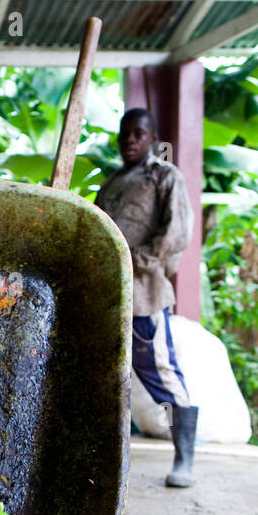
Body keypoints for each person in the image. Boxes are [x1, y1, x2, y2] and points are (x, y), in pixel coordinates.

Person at [95, 108, 198, 488]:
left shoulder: (164, 177)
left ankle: (184, 458)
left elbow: (176, 233)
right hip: (109, 295)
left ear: (153, 138)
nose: (131, 140)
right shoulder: (113, 182)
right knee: (104, 376)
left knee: (161, 371)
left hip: (144, 295)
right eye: (125, 134)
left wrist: (132, 261)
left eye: (139, 133)